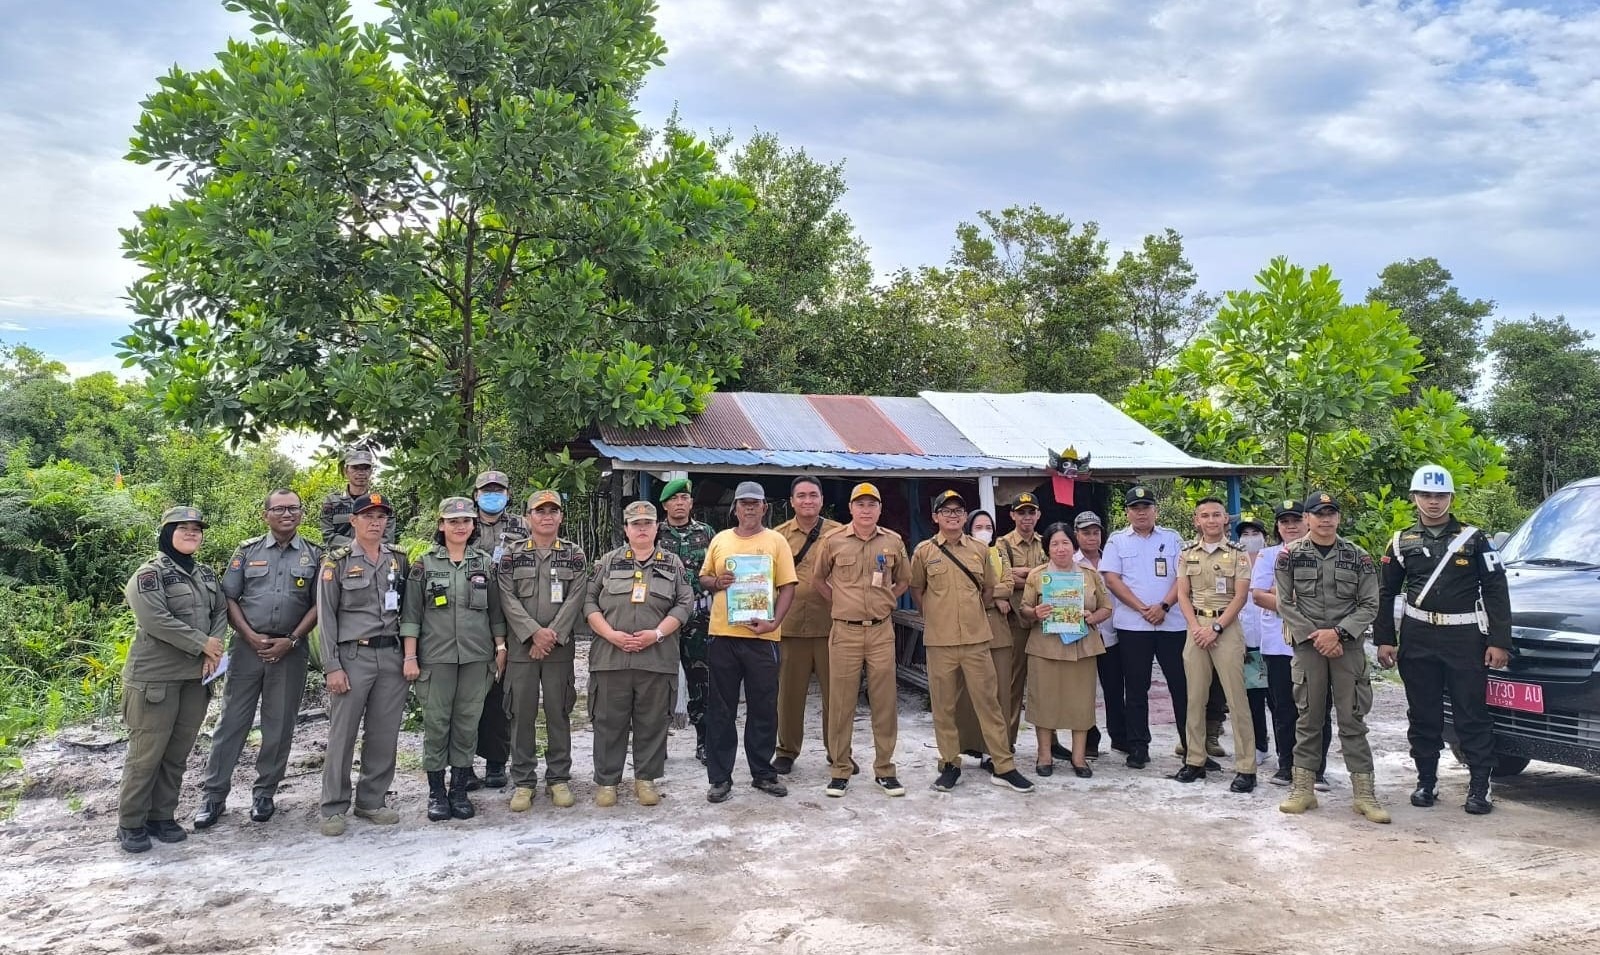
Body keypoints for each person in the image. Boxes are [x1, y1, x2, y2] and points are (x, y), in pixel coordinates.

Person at [1374, 464, 1512, 815]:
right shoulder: (1401, 540)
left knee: (1471, 713)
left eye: (1440, 495)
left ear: (1451, 497)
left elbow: (1496, 590)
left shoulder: (1475, 539)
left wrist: (1499, 641)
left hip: (1465, 637)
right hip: (1418, 637)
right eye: (1426, 495)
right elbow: (1386, 591)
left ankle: (1480, 786)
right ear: (1414, 498)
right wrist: (1385, 639)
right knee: (1423, 714)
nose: (1433, 502)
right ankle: (1426, 781)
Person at [194, 490, 320, 830]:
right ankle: (213, 796)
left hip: (290, 651)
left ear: (302, 514)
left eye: (293, 508)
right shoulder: (247, 552)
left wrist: (291, 640)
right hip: (247, 649)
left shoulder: (315, 555)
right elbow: (229, 597)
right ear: (265, 515)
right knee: (232, 723)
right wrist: (249, 636)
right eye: (279, 509)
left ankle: (264, 793)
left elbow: (319, 603)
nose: (287, 514)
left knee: (279, 726)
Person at [1274, 491, 1389, 823]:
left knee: (1353, 720)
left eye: (1331, 513)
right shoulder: (1290, 556)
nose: (1326, 519)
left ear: (1338, 518)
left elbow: (1370, 604)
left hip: (1347, 647)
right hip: (1309, 646)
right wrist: (1318, 636)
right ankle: (1303, 790)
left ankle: (1364, 795)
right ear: (1307, 518)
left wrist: (1337, 634)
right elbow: (1285, 602)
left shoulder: (1358, 557)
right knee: (1308, 719)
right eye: (1318, 514)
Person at [117, 506, 227, 853]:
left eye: (197, 528)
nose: (192, 533)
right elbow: (155, 620)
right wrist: (202, 643)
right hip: (155, 680)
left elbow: (220, 612)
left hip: (195, 679)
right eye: (183, 528)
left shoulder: (207, 575)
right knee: (146, 755)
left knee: (177, 754)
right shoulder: (149, 575)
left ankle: (162, 816)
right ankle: (131, 822)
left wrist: (214, 650)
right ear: (167, 533)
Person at [911, 489, 1035, 794]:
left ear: (965, 517)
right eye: (946, 511)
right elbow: (918, 590)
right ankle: (950, 763)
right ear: (935, 517)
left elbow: (990, 590)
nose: (953, 516)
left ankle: (1003, 764)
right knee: (944, 705)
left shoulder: (979, 551)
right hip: (940, 642)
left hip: (977, 639)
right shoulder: (924, 552)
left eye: (958, 511)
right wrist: (938, 616)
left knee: (989, 703)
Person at [401, 497, 507, 822]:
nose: (460, 526)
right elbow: (411, 615)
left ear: (473, 525)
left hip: (477, 657)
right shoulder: (424, 564)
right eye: (453, 521)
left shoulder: (485, 563)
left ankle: (459, 789)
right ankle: (436, 791)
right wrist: (409, 657)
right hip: (435, 658)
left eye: (466, 521)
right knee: (436, 724)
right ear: (441, 525)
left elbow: (495, 611)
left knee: (467, 723)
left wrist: (501, 648)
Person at [585, 500, 691, 807]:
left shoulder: (673, 563)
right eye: (636, 524)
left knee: (652, 721)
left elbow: (684, 605)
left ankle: (646, 779)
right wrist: (610, 635)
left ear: (657, 528)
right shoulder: (607, 562)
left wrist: (656, 634)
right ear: (626, 529)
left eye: (648, 523)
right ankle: (607, 782)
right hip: (611, 657)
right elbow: (588, 603)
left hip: (656, 658)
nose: (642, 528)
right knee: (608, 721)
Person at [317, 492, 411, 836]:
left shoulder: (399, 559)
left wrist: (410, 655)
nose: (375, 522)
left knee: (384, 733)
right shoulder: (337, 562)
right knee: (342, 734)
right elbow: (326, 617)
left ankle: (372, 800)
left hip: (391, 655)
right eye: (368, 516)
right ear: (353, 521)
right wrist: (331, 665)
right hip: (352, 656)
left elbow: (409, 610)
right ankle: (333, 807)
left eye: (381, 517)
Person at [699, 481, 799, 802]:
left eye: (755, 503)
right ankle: (720, 777)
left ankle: (762, 772)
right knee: (721, 708)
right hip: (723, 635)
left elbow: (788, 587)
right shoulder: (720, 540)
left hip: (762, 636)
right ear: (735, 507)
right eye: (744, 503)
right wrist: (717, 581)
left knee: (763, 708)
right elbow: (704, 578)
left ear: (764, 507)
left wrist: (774, 622)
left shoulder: (776, 542)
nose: (750, 508)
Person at [813, 482, 911, 797]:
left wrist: (886, 600)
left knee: (885, 701)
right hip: (845, 631)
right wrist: (841, 604)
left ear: (879, 509)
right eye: (860, 504)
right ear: (851, 509)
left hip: (882, 630)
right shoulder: (833, 541)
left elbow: (905, 579)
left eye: (872, 505)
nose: (866, 510)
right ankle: (840, 769)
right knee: (841, 702)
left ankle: (885, 769)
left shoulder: (893, 542)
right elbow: (818, 579)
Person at [497, 489, 588, 812]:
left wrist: (551, 635)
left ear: (561, 517)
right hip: (523, 649)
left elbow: (577, 596)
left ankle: (559, 778)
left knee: (558, 712)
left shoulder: (574, 555)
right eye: (539, 511)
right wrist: (533, 634)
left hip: (558, 649)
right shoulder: (511, 555)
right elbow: (506, 597)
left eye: (553, 511)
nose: (546, 516)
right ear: (527, 517)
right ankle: (523, 781)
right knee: (520, 715)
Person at [1100, 485, 1189, 770]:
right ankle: (1138, 747)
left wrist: (1162, 606)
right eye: (1135, 508)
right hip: (1133, 625)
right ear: (1127, 512)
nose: (1141, 512)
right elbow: (1112, 580)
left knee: (1182, 686)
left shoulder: (1173, 539)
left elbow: (1183, 576)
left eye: (1146, 507)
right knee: (1136, 688)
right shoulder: (1117, 541)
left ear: (1155, 510)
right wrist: (1142, 608)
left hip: (1172, 622)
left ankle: (1192, 747)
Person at [1173, 498, 1257, 792]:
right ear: (1197, 520)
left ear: (1226, 520)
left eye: (1216, 515)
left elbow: (1241, 596)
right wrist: (1196, 627)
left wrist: (1217, 628)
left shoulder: (1238, 554)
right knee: (1195, 698)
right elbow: (1183, 594)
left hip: (1227, 628)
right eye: (1204, 515)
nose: (1210, 520)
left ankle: (1246, 767)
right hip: (1196, 628)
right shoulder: (1186, 554)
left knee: (1236, 699)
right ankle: (1195, 760)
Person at [1252, 499, 1334, 788]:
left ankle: (1316, 768)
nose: (1290, 526)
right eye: (1284, 521)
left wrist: (1283, 598)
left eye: (1296, 520)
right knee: (1283, 708)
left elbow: (1329, 596)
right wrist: (1298, 602)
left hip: (1316, 641)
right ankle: (1286, 765)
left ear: (1307, 521)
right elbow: (1259, 595)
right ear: (1277, 526)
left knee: (1317, 707)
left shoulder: (1325, 552)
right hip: (1278, 644)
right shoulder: (1267, 556)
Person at [1020, 523, 1111, 778]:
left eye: (1065, 543)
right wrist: (1034, 613)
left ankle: (1079, 757)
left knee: (1080, 703)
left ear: (1074, 545)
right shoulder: (1037, 576)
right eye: (1055, 544)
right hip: (1044, 647)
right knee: (1043, 701)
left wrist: (1092, 617)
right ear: (1047, 548)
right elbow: (1024, 610)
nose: (1061, 549)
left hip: (1081, 647)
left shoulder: (1089, 574)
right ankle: (1044, 755)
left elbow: (1106, 607)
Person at [772, 476, 843, 775]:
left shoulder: (840, 534)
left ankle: (838, 751)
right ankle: (786, 750)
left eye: (813, 495)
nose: (807, 501)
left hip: (832, 626)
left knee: (837, 694)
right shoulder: (777, 536)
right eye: (801, 496)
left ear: (822, 500)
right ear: (791, 501)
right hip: (789, 626)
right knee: (789, 694)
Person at [465, 469, 529, 792]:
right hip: (470, 618)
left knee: (502, 694)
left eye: (498, 489)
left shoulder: (521, 525)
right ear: (475, 495)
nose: (493, 494)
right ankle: (463, 765)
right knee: (469, 693)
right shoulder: (463, 521)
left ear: (507, 493)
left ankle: (495, 762)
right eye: (486, 490)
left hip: (510, 615)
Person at [655, 477, 716, 763]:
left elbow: (715, 571)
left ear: (691, 503)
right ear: (664, 504)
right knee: (659, 683)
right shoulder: (654, 534)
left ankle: (704, 742)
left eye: (684, 499)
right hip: (662, 621)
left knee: (701, 682)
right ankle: (656, 744)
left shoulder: (706, 534)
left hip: (699, 619)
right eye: (674, 499)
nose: (679, 504)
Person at [953, 509, 1016, 769]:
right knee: (968, 691)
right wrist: (994, 597)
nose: (984, 530)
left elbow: (1009, 584)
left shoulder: (999, 553)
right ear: (969, 529)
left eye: (987, 526)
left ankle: (995, 750)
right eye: (978, 526)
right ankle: (971, 744)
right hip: (967, 630)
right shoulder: (961, 554)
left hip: (998, 631)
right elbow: (966, 591)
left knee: (1000, 691)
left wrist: (996, 594)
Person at [996, 492, 1046, 747]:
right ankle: (1007, 740)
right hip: (1014, 622)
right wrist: (1035, 577)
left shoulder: (1045, 542)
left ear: (1038, 514)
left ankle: (1050, 742)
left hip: (1043, 623)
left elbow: (1054, 578)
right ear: (1012, 515)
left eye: (1031, 512)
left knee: (1045, 684)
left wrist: (1025, 575)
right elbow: (1002, 579)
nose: (1027, 517)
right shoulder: (1002, 544)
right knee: (1012, 684)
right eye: (1021, 512)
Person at [1075, 511, 1126, 756]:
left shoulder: (1112, 560)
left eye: (1095, 533)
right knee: (1084, 691)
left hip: (1112, 634)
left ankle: (1119, 736)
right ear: (1077, 535)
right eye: (1086, 533)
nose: (1092, 538)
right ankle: (1090, 740)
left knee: (1115, 689)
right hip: (1082, 636)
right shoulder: (1070, 563)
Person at [1235, 515, 1273, 769]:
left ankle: (1287, 749)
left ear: (1265, 537)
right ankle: (1259, 745)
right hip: (1246, 641)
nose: (1250, 539)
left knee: (1280, 699)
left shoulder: (1273, 560)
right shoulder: (1233, 563)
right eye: (1245, 534)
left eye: (1255, 533)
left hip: (1275, 641)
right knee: (1253, 698)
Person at [319, 444, 395, 548]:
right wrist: (357, 546)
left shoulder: (381, 503)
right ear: (346, 471)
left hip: (373, 558)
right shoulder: (332, 501)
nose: (361, 473)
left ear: (371, 471)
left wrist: (365, 548)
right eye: (355, 468)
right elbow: (328, 536)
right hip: (340, 559)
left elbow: (387, 538)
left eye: (365, 468)